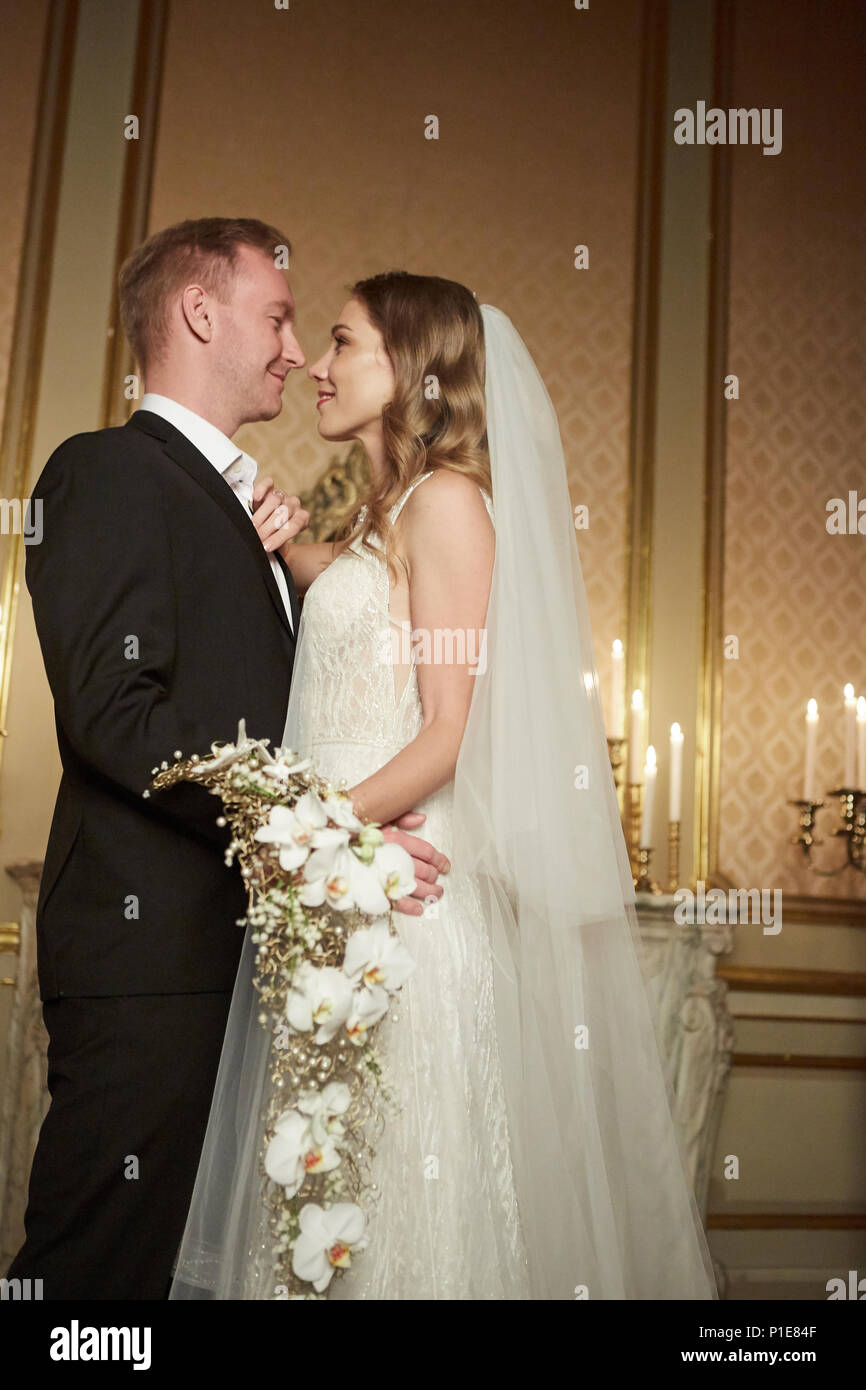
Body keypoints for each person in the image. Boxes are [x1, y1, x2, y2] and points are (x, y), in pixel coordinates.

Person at [170, 272, 719, 1299]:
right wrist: (292, 547)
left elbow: (445, 735)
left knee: (393, 1216)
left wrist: (300, 833)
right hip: (336, 893)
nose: (315, 366)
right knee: (319, 1195)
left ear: (413, 370)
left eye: (342, 344)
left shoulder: (451, 502)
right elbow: (364, 624)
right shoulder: (393, 513)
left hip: (395, 908)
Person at [6, 221, 446, 1300]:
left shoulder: (246, 512)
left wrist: (293, 575)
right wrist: (318, 819)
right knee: (96, 1272)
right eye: (279, 317)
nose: (296, 352)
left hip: (238, 959)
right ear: (201, 315)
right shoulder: (105, 470)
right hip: (146, 956)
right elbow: (115, 715)